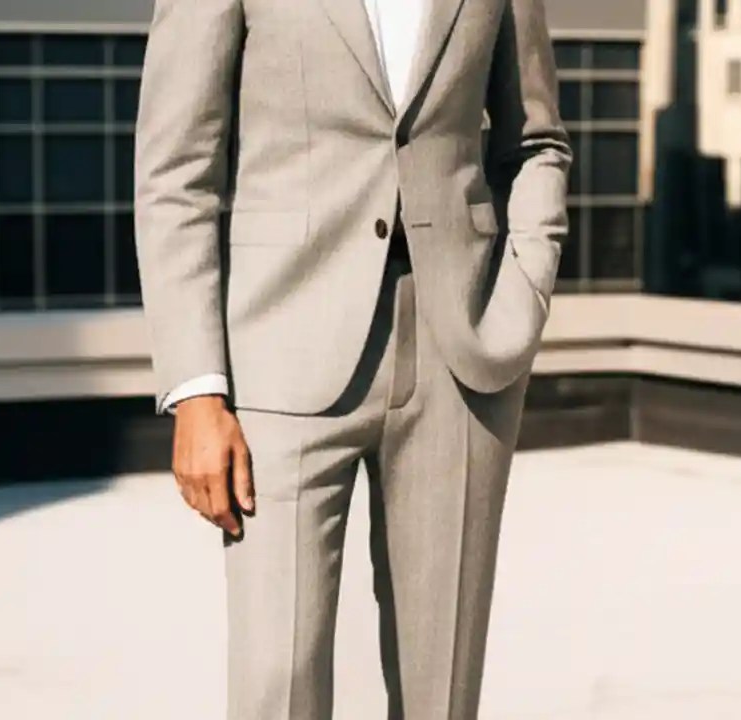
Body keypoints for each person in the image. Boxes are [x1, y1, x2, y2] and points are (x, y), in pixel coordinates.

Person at [133, 0, 570, 716]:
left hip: (459, 351)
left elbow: (535, 142)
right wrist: (196, 389)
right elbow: (176, 170)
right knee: (278, 685)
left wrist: (524, 288)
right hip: (277, 350)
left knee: (442, 694)